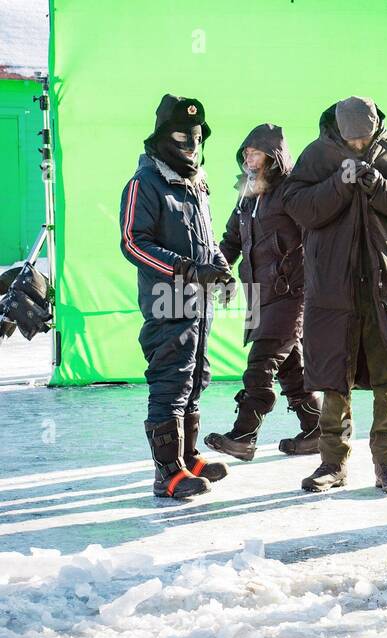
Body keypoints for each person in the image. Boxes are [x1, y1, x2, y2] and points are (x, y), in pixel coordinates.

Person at [283, 96, 387, 494]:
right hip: (334, 290)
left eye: (364, 138)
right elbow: (298, 207)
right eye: (351, 140)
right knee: (335, 380)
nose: (357, 145)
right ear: (338, 130)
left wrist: (379, 186)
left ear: (375, 128)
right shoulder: (316, 155)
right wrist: (339, 183)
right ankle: (332, 464)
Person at [119, 94, 233, 499]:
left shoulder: (197, 183)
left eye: (198, 137)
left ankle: (187, 457)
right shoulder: (144, 182)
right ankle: (167, 472)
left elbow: (207, 238)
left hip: (200, 307)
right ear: (164, 136)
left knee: (194, 378)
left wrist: (220, 269)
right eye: (183, 137)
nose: (192, 144)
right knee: (170, 382)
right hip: (167, 304)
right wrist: (186, 270)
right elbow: (134, 242)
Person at [206, 124, 320, 461]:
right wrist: (215, 270)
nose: (249, 159)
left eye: (255, 152)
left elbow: (314, 238)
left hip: (290, 292)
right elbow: (230, 240)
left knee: (261, 363)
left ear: (273, 156)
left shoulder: (290, 193)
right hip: (257, 293)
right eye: (245, 153)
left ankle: (244, 434)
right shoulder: (247, 193)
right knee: (289, 366)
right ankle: (318, 428)